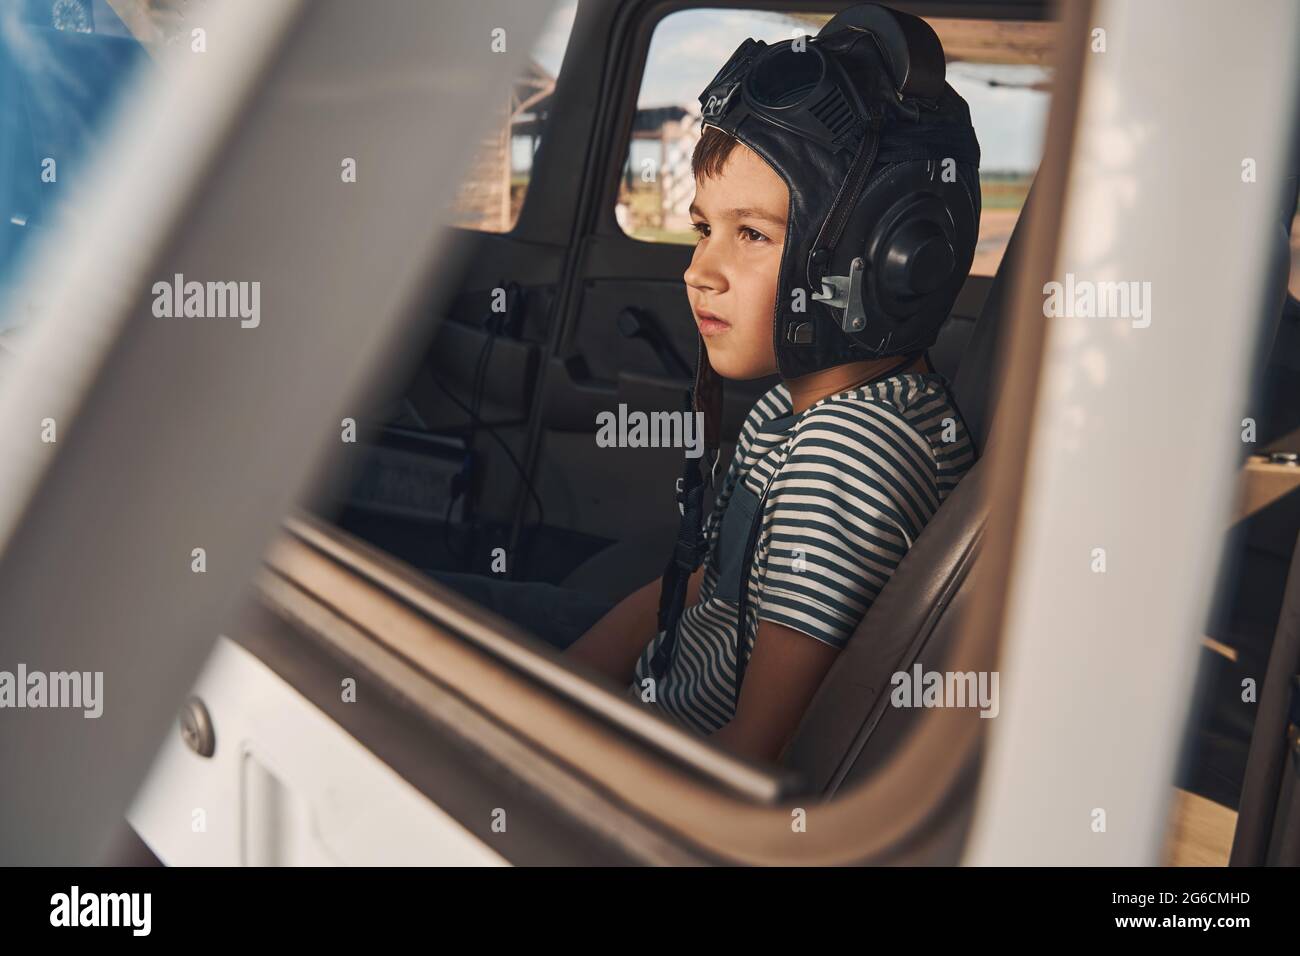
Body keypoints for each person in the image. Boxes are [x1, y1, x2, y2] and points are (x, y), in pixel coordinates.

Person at [441, 4, 982, 765]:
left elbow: (752, 756)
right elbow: (700, 586)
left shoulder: (849, 458)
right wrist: (565, 687)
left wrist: (541, 746)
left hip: (673, 758)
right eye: (703, 229)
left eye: (752, 234)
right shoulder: (795, 405)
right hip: (659, 685)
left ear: (889, 264)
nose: (698, 270)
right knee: (436, 607)